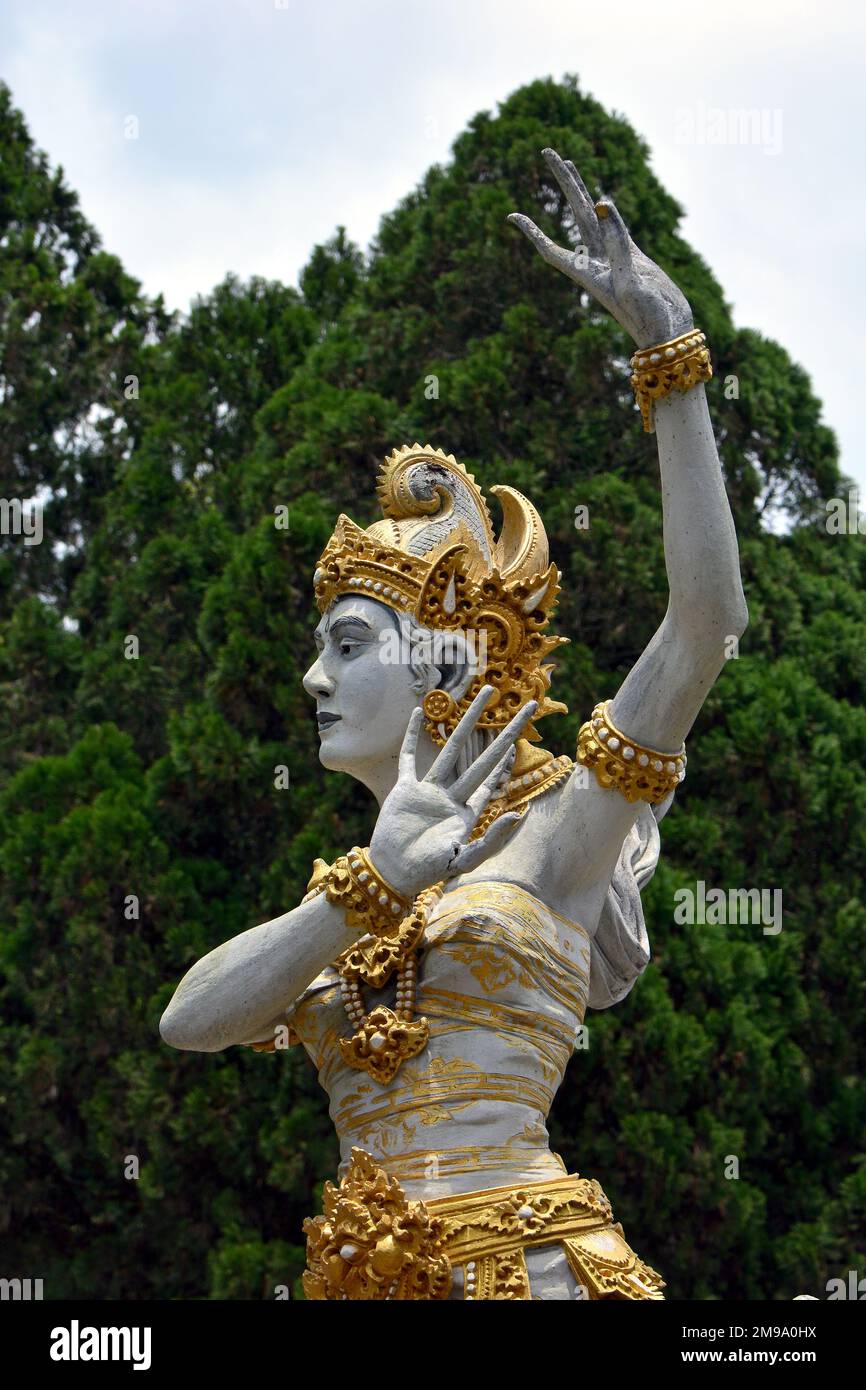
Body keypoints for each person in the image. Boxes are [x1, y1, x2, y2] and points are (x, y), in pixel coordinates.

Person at [160, 149, 748, 1301]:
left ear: (442, 656)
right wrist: (370, 882)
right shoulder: (354, 881)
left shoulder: (561, 834)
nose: (309, 679)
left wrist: (669, 361)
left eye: (345, 646)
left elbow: (701, 628)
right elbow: (189, 1018)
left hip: (530, 1269)